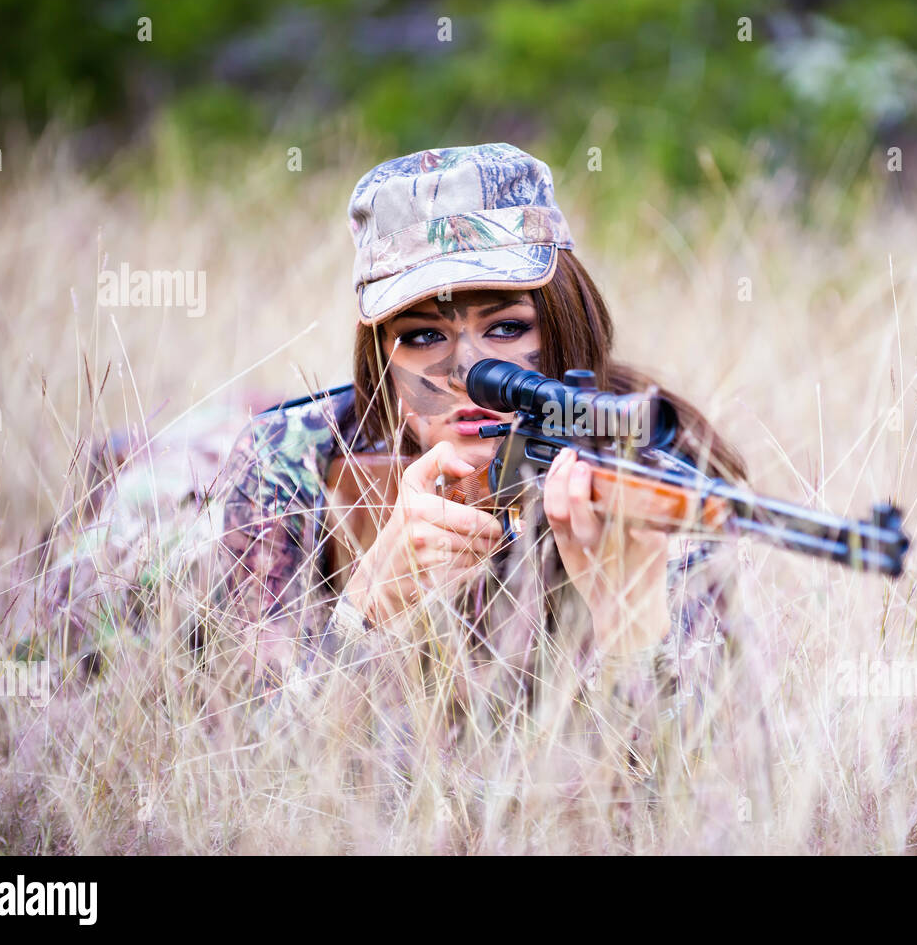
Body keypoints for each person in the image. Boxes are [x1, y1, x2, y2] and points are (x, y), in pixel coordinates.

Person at [216, 143, 771, 816]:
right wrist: (365, 610)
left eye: (507, 326)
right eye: (422, 336)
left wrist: (634, 633)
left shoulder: (652, 474)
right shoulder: (289, 460)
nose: (467, 373)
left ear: (566, 324)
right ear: (379, 357)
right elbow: (248, 783)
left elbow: (716, 802)